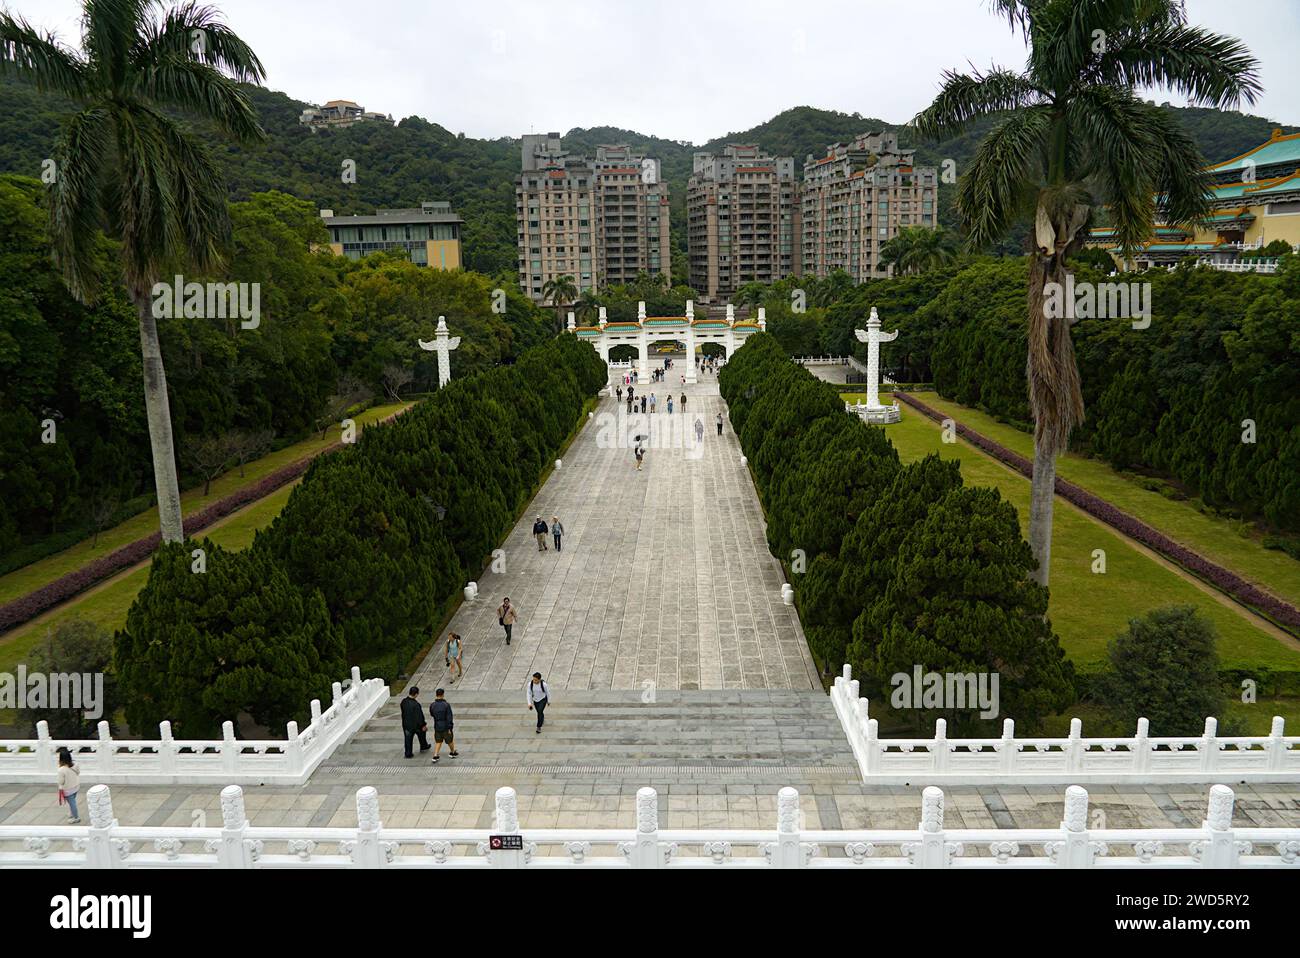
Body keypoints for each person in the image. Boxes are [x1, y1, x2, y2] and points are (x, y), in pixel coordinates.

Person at [428, 688, 459, 762]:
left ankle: (435, 755)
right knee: (449, 740)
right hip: (445, 726)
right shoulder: (446, 705)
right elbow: (449, 717)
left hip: (437, 726)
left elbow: (432, 714)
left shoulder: (432, 705)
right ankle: (452, 752)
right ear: (442, 695)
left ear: (436, 695)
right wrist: (450, 727)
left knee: (438, 741)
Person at [400, 687, 431, 758]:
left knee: (408, 739)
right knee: (422, 734)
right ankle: (424, 746)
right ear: (416, 694)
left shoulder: (403, 702)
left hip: (406, 725)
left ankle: (408, 753)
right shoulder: (416, 704)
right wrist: (423, 725)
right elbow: (419, 716)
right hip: (416, 726)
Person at [56, 748, 80, 824]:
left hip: (68, 789)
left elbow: (61, 781)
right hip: (76, 786)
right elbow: (78, 772)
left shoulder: (61, 770)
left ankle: (76, 817)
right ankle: (72, 813)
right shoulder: (75, 765)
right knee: (72, 801)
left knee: (72, 803)